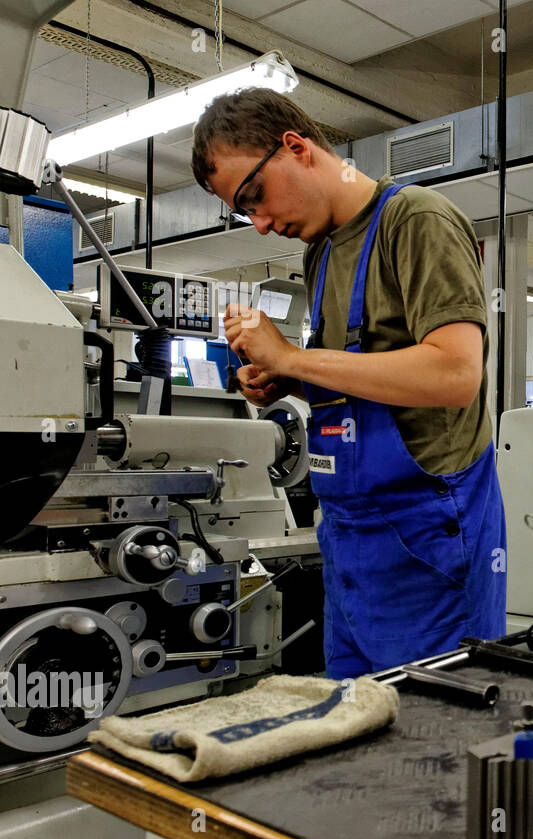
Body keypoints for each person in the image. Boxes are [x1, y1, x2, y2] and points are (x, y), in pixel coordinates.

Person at [191, 88, 505, 678]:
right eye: (243, 211)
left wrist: (292, 357)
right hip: (352, 546)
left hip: (428, 543)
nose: (259, 224)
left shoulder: (415, 220)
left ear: (296, 147)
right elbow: (359, 387)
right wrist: (284, 383)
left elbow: (456, 374)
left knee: (432, 740)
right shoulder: (321, 252)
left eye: (255, 196)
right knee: (357, 734)